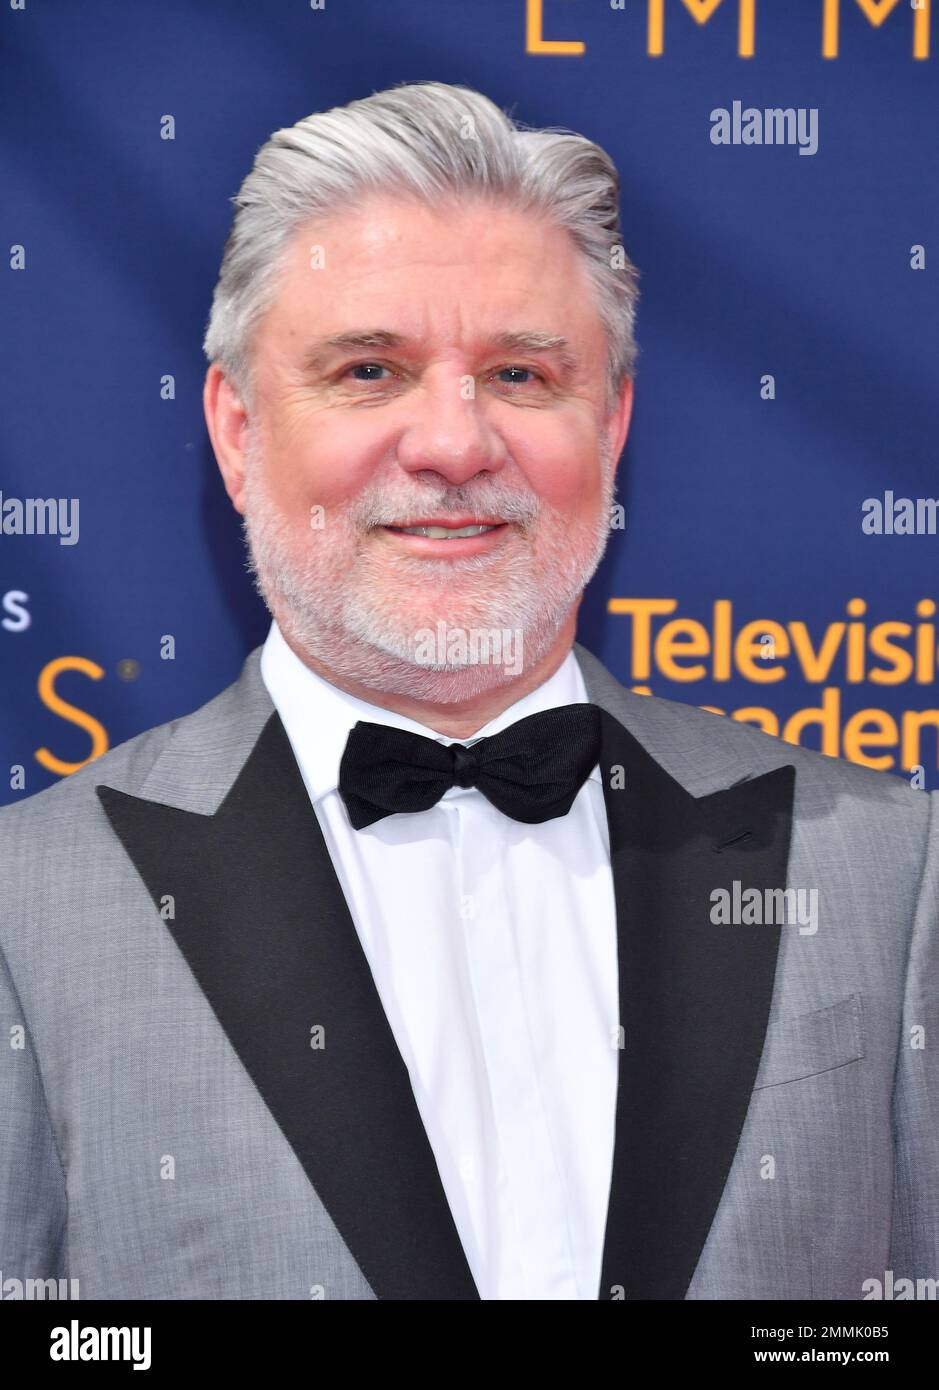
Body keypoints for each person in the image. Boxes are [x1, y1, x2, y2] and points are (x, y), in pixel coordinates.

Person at [1, 81, 936, 1302]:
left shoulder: (888, 868)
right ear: (236, 432)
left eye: (522, 375)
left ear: (612, 425)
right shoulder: (28, 910)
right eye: (370, 369)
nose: (453, 445)